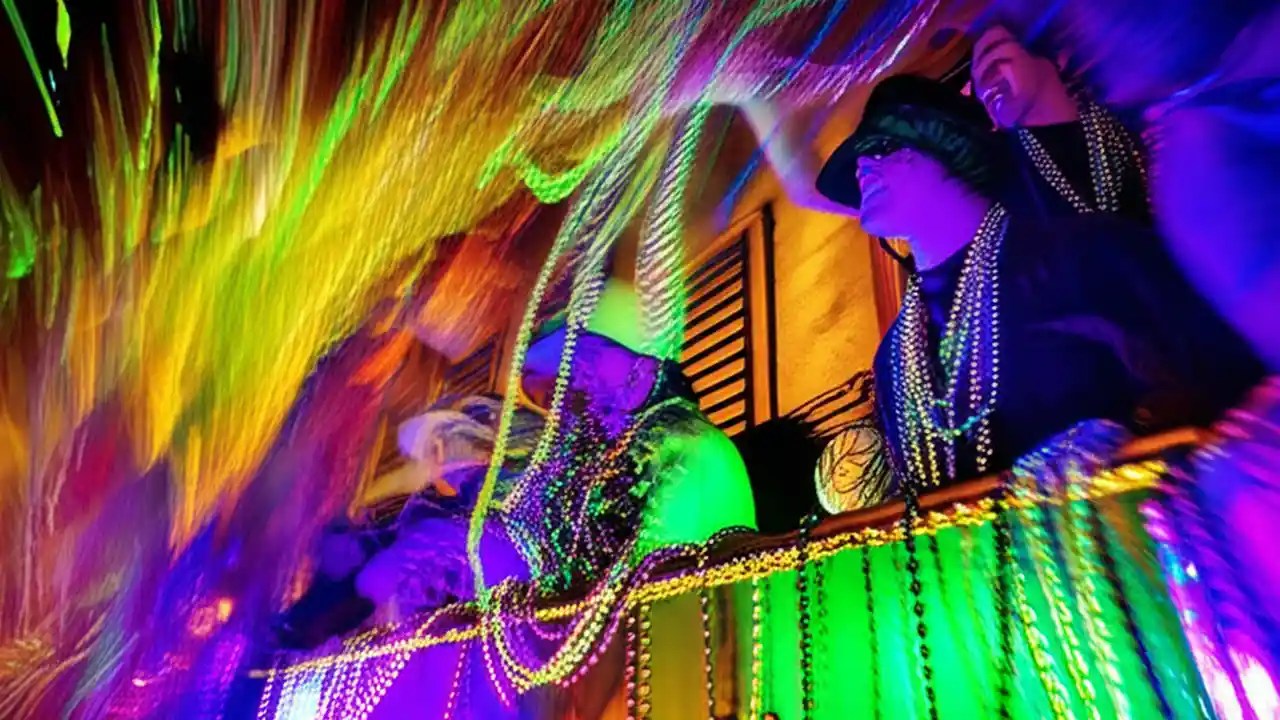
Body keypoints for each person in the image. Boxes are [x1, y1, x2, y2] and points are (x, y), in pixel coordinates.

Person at [813, 73, 1265, 493]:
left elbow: (1232, 379)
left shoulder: (1089, 257)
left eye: (889, 148)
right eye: (863, 156)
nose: (864, 166)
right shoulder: (895, 359)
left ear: (949, 147)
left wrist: (1135, 430)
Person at [356, 279, 757, 610]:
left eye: (559, 383)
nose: (555, 403)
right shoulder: (580, 468)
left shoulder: (666, 444)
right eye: (546, 396)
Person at [971, 24, 1150, 222]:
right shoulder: (1012, 185)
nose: (983, 82)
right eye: (976, 76)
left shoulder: (1129, 119)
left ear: (1059, 57)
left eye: (993, 53)